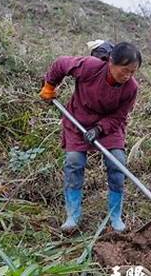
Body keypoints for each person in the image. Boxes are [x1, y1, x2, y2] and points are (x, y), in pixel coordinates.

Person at [39, 42, 141, 233]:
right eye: (124, 70)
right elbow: (61, 64)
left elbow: (119, 117)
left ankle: (115, 216)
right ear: (111, 62)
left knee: (117, 163)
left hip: (108, 126)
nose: (127, 76)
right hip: (79, 118)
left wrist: (99, 129)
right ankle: (73, 215)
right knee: (74, 161)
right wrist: (50, 85)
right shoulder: (90, 67)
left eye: (132, 72)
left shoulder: (131, 88)